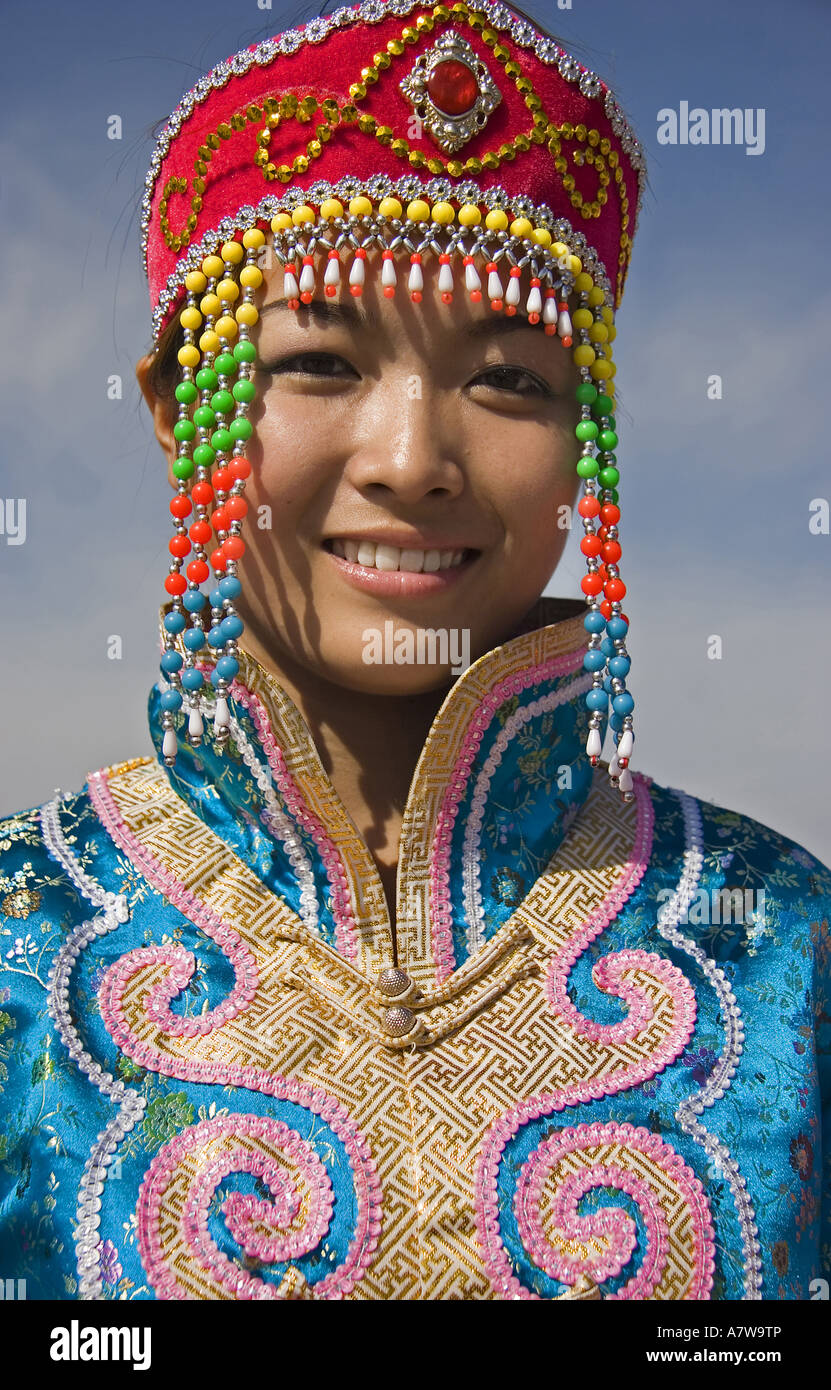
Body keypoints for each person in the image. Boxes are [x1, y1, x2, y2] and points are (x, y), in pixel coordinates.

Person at [0, 0, 828, 1302]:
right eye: (321, 363)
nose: (410, 461)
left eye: (508, 380)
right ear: (179, 413)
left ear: (586, 439)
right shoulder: (25, 936)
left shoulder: (782, 943)